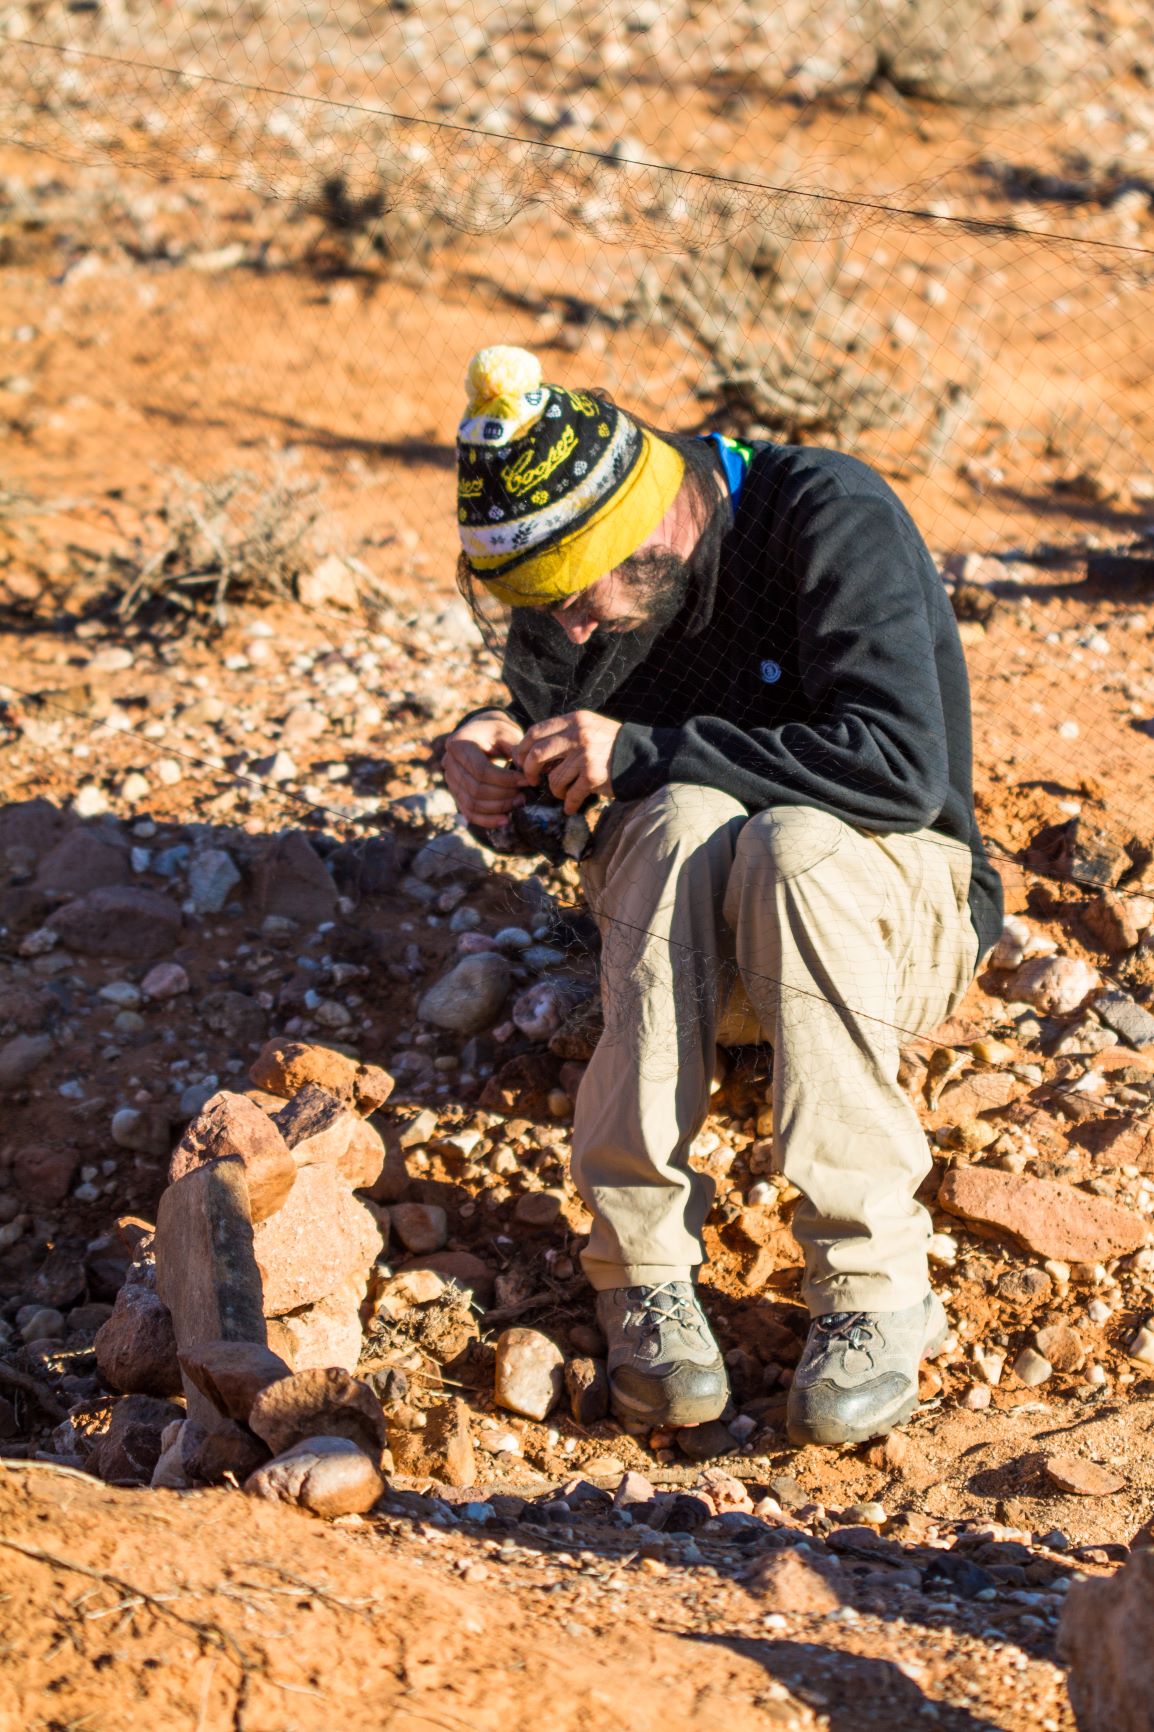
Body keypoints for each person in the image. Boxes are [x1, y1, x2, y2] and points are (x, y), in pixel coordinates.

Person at [443, 344, 1002, 1446]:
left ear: (655, 528)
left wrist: (644, 749)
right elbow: (574, 800)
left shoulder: (828, 516)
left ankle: (871, 1284)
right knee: (683, 819)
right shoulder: (573, 585)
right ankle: (641, 1267)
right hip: (702, 949)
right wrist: (490, 766)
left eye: (573, 599)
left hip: (887, 931)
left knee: (791, 840)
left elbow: (899, 767)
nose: (564, 630)